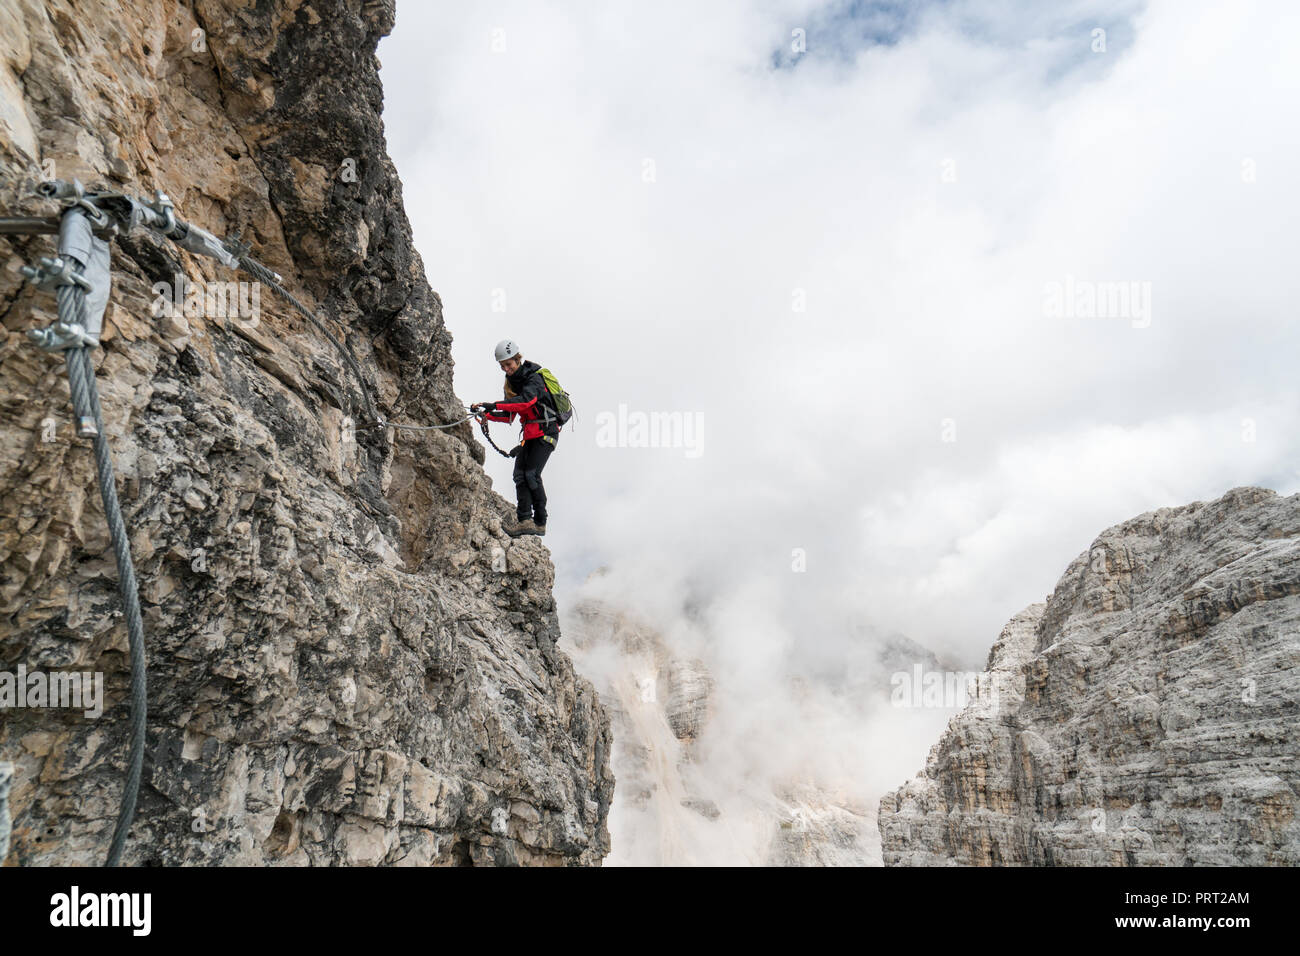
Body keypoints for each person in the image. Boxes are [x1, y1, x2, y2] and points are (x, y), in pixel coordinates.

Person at [472, 339, 561, 537]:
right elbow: (509, 415)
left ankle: (539, 522)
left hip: (547, 432)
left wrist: (493, 404)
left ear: (517, 359)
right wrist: (485, 414)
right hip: (531, 433)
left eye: (508, 364)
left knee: (531, 474)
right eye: (502, 366)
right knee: (520, 475)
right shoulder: (511, 383)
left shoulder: (533, 377)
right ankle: (524, 520)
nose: (506, 369)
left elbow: (526, 401)